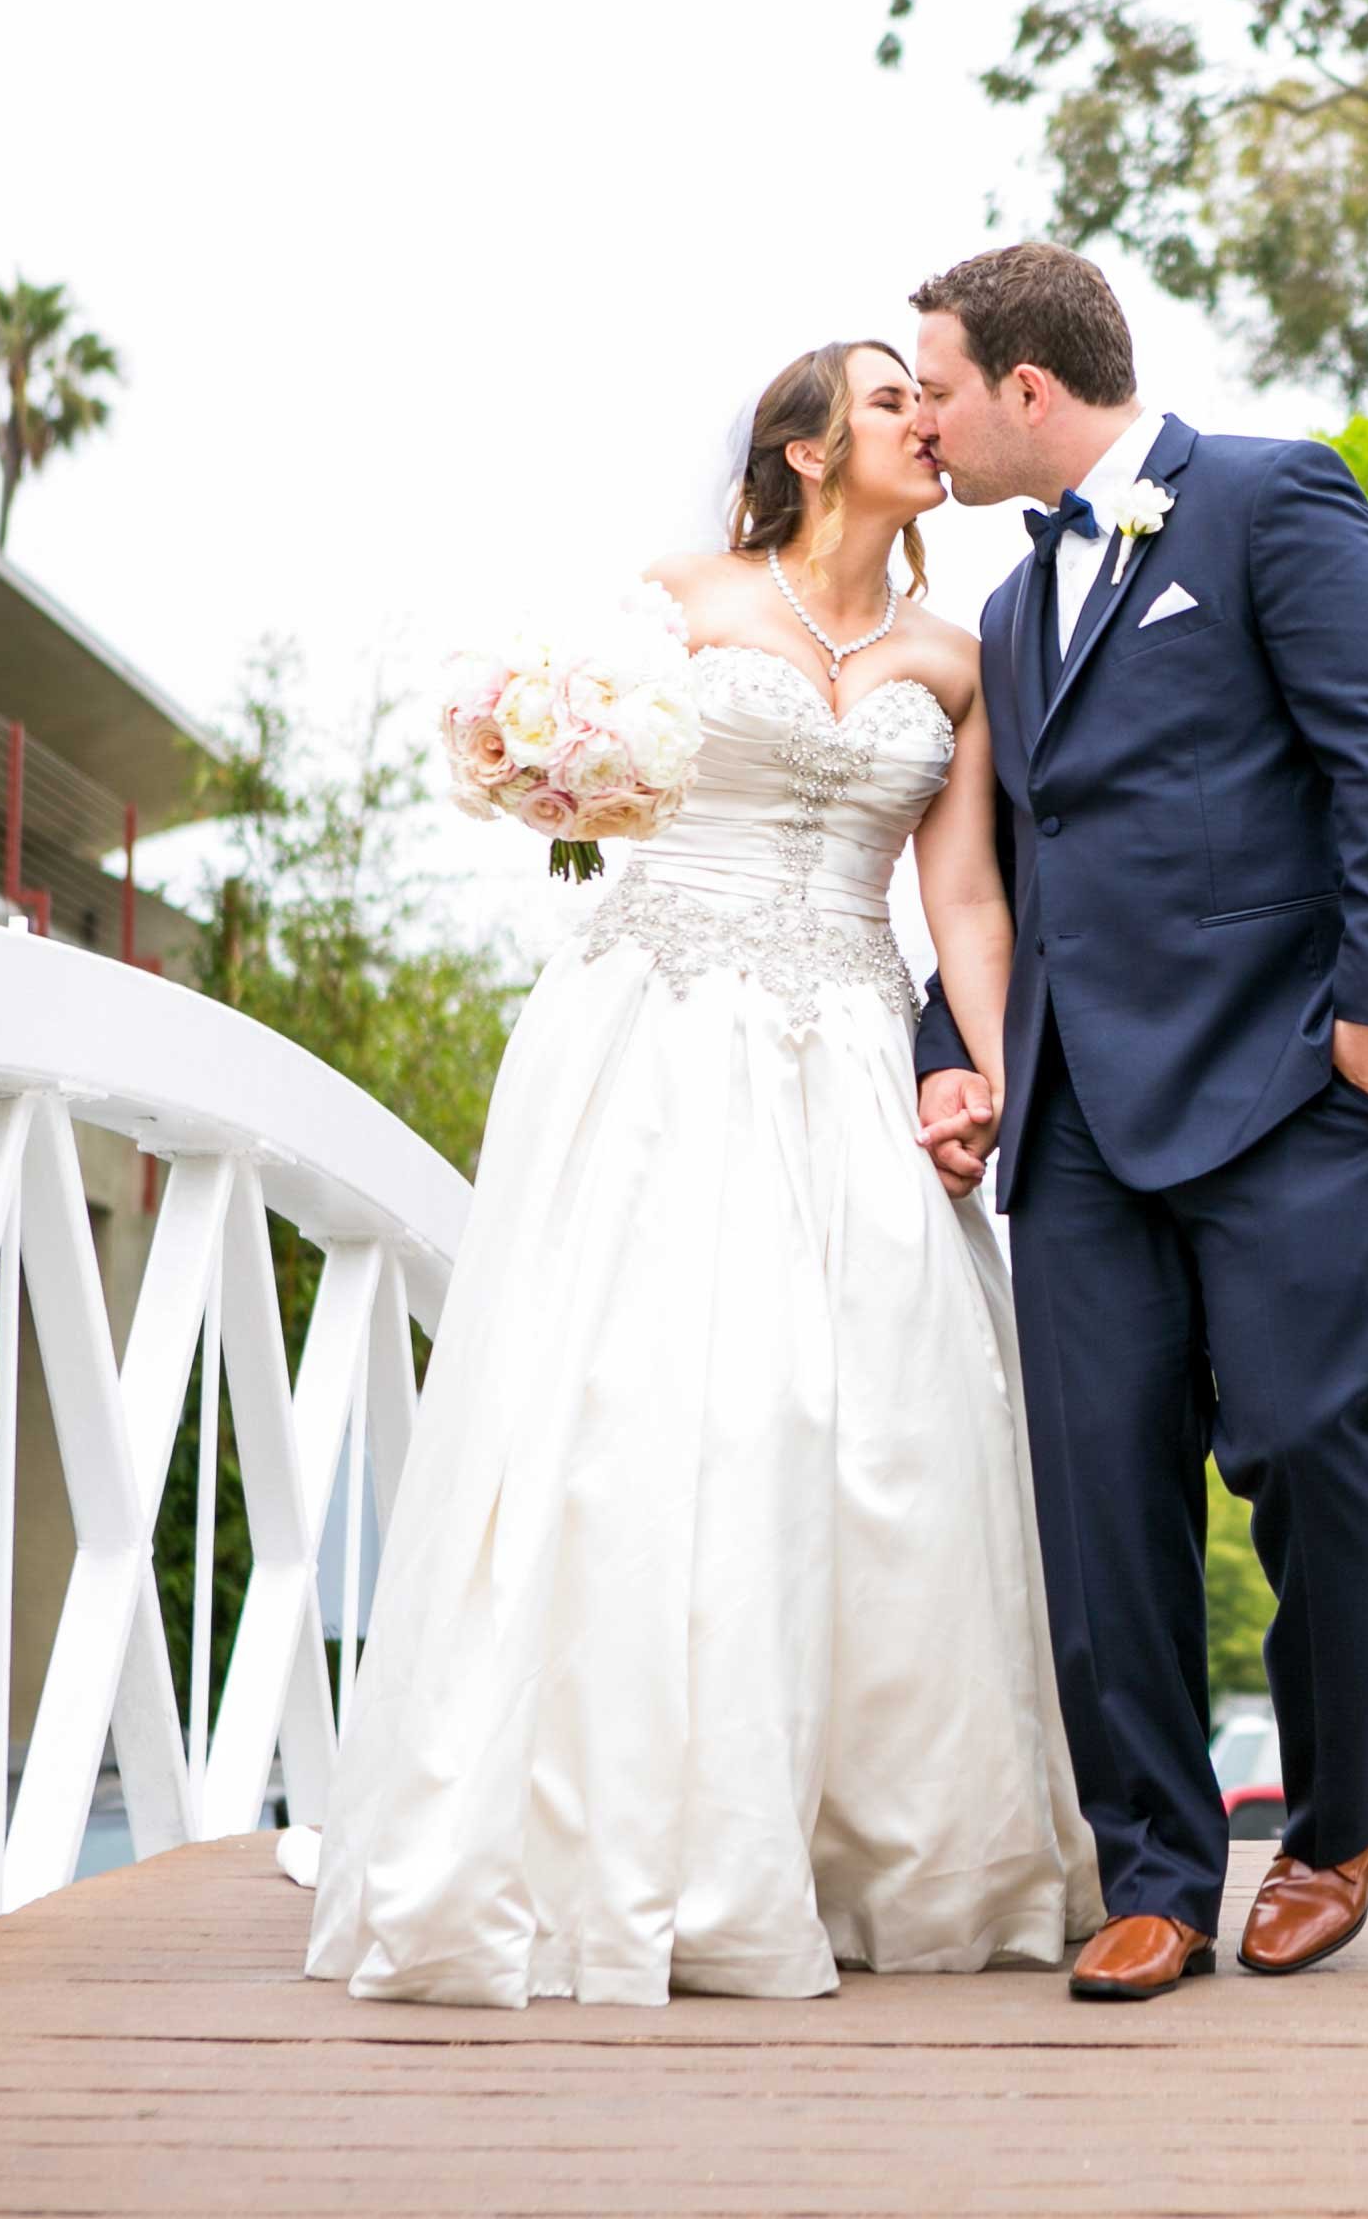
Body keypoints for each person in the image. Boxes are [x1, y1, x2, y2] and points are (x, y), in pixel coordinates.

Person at [295, 339, 1102, 2003]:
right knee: (650, 1402)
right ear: (805, 452)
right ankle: (612, 1836)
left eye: (923, 402)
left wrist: (991, 1072)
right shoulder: (680, 597)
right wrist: (554, 768)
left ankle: (863, 1845)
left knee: (871, 1416)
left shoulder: (954, 658)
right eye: (890, 404)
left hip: (853, 1039)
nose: (924, 425)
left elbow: (963, 899)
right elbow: (577, 775)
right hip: (655, 1023)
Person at [905, 244, 1368, 2002]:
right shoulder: (1006, 613)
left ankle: (1332, 1831)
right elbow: (1002, 872)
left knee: (1312, 1449)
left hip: (1283, 1084)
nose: (918, 416)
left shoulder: (1266, 501)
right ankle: (1154, 1868)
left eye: (933, 383)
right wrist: (955, 1040)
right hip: (1076, 1116)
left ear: (1027, 387)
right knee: (1103, 1510)